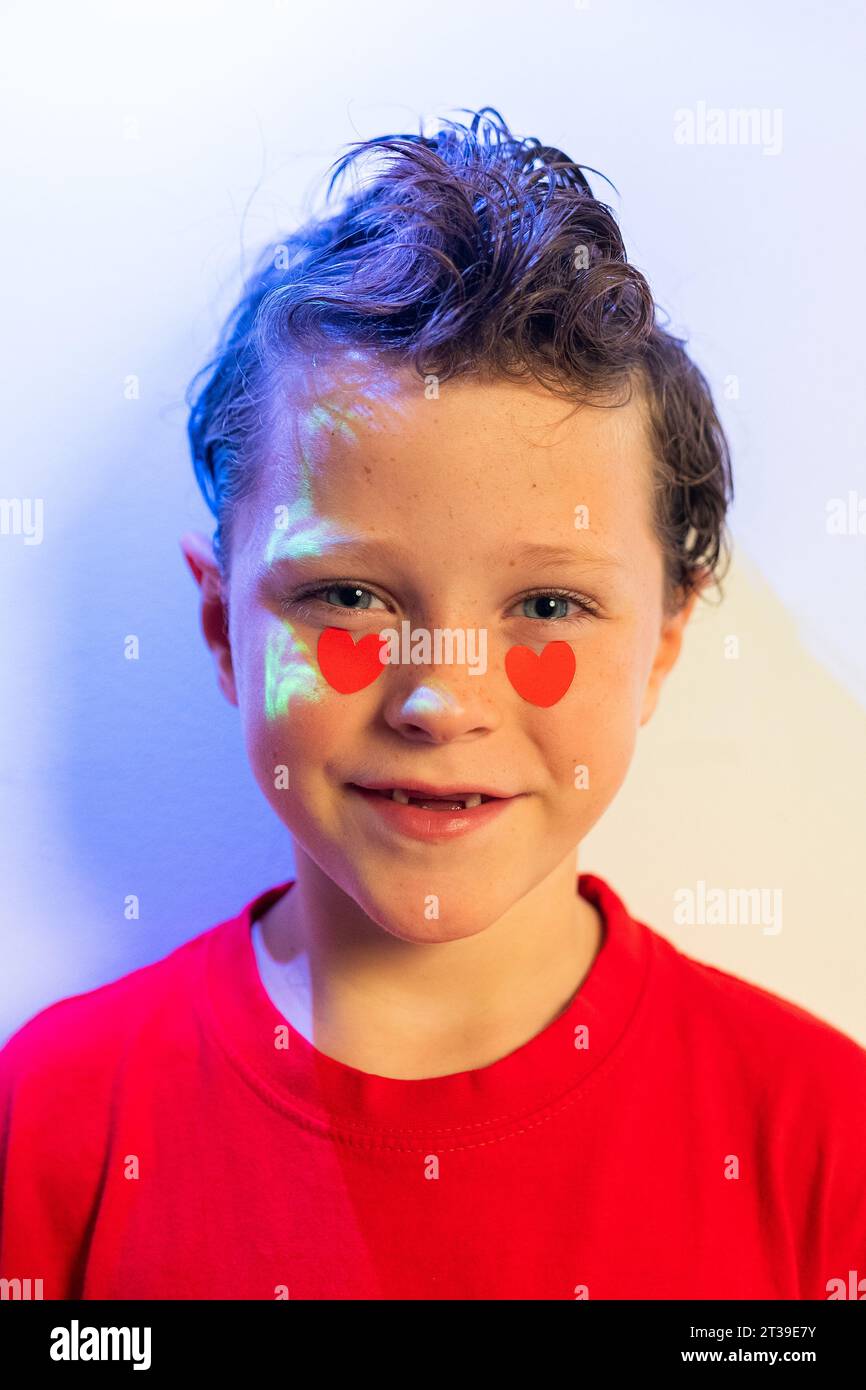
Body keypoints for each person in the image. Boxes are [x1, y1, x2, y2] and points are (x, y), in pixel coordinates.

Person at [2, 107, 864, 1301]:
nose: (439, 700)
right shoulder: (53, 1125)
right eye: (349, 593)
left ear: (664, 639)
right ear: (219, 626)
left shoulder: (819, 1145)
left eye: (548, 606)